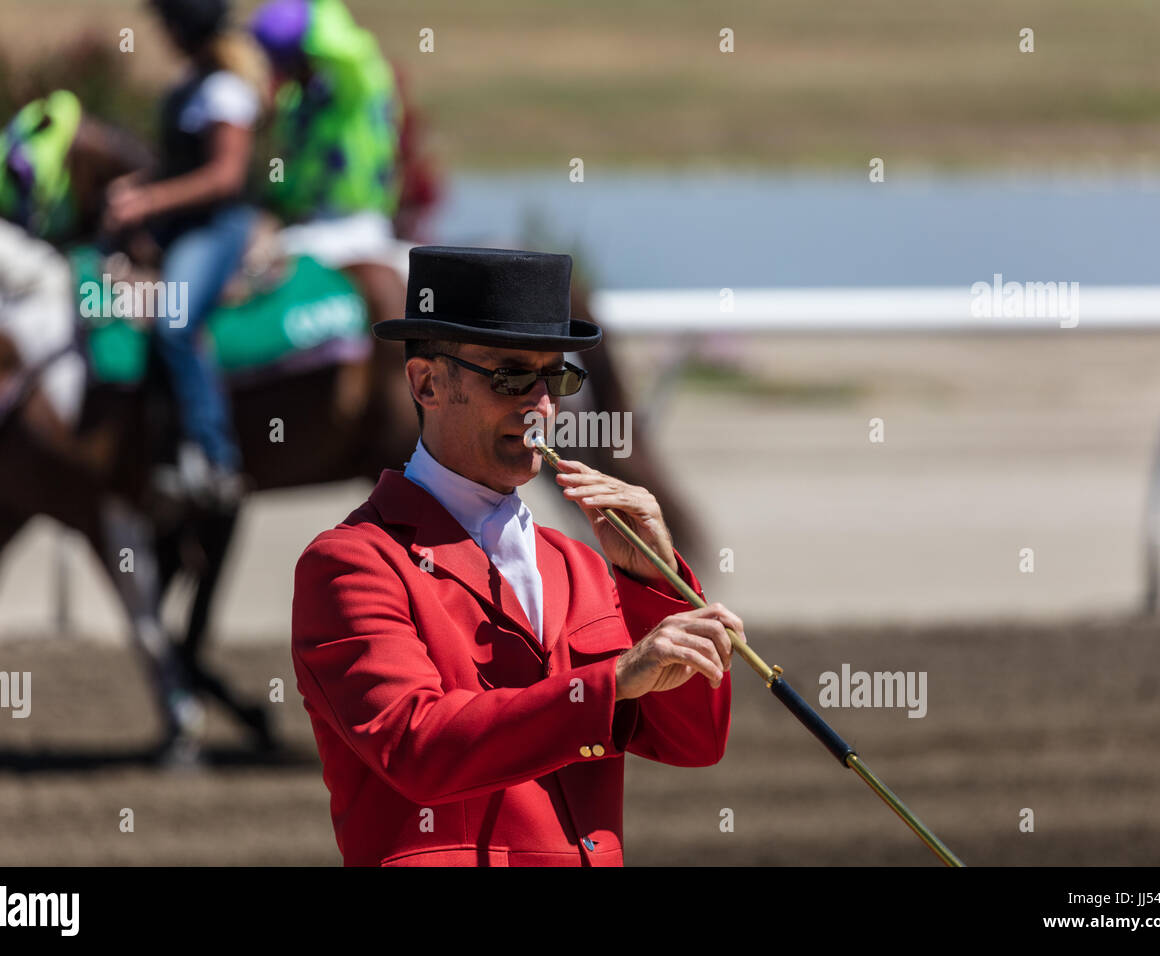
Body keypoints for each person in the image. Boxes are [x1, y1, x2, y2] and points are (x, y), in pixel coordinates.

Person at [291, 246, 738, 866]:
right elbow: (417, 747)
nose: (539, 404)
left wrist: (656, 582)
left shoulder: (583, 567)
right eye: (509, 375)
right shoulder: (351, 565)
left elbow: (693, 742)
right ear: (426, 382)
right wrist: (613, 682)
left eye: (554, 377)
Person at [102, 0, 264, 507]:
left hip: (219, 226)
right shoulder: (191, 83)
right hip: (181, 222)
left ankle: (216, 456)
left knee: (174, 320)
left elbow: (224, 176)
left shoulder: (224, 90)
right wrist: (137, 186)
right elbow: (177, 166)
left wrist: (149, 200)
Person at [248, 0, 406, 320]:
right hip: (308, 222)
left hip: (359, 224)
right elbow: (290, 177)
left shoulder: (355, 87)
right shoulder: (295, 103)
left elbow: (350, 51)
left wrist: (314, 10)